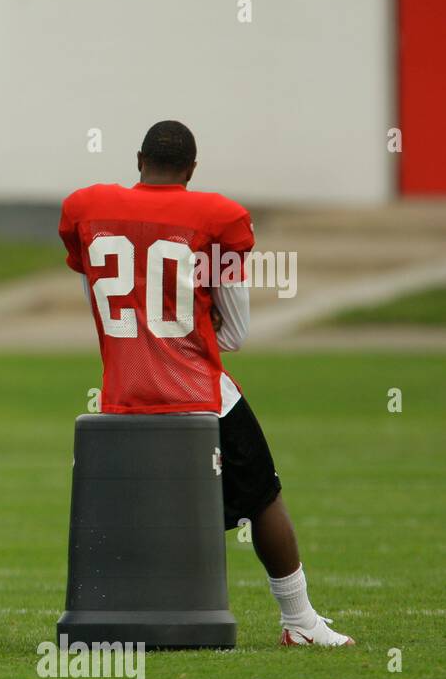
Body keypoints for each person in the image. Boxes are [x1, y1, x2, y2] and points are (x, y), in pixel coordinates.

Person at [57, 120, 352, 646]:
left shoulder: (87, 209)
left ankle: (121, 615)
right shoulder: (217, 217)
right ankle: (300, 621)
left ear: (138, 158)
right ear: (191, 169)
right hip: (198, 395)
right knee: (264, 499)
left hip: (123, 398)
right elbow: (235, 334)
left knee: (138, 512)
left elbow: (100, 311)